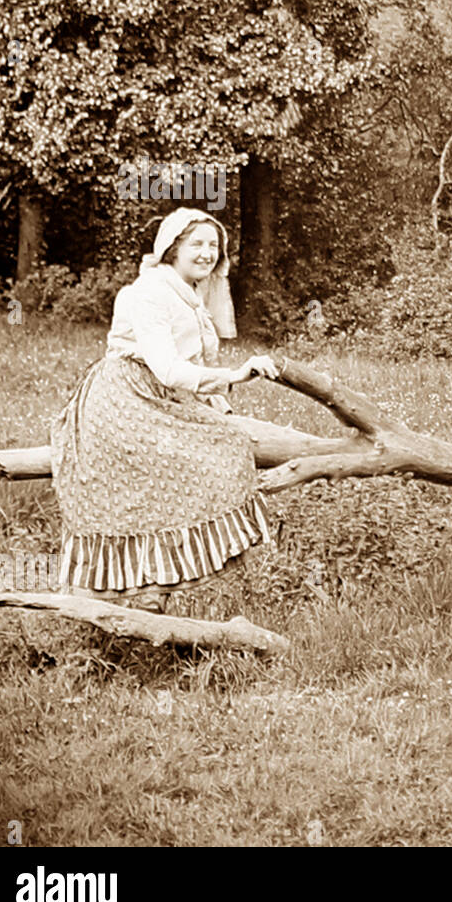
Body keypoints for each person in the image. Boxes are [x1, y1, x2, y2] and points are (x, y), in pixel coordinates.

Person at [50, 208, 279, 611]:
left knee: (224, 441)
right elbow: (168, 367)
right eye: (198, 245)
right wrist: (236, 375)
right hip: (124, 395)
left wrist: (213, 399)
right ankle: (140, 585)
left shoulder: (190, 291)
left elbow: (188, 362)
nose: (208, 253)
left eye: (214, 246)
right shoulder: (149, 292)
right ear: (173, 248)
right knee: (210, 453)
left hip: (161, 393)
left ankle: (162, 578)